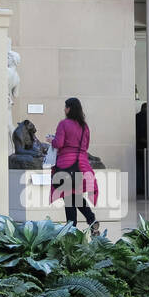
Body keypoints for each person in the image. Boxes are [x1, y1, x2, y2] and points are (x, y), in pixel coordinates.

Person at [51, 97, 99, 234]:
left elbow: (59, 143)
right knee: (75, 196)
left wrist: (51, 140)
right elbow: (86, 145)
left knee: (69, 197)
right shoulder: (84, 126)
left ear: (69, 108)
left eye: (65, 107)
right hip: (80, 164)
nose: (64, 109)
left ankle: (71, 228)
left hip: (66, 164)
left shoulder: (63, 124)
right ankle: (91, 219)